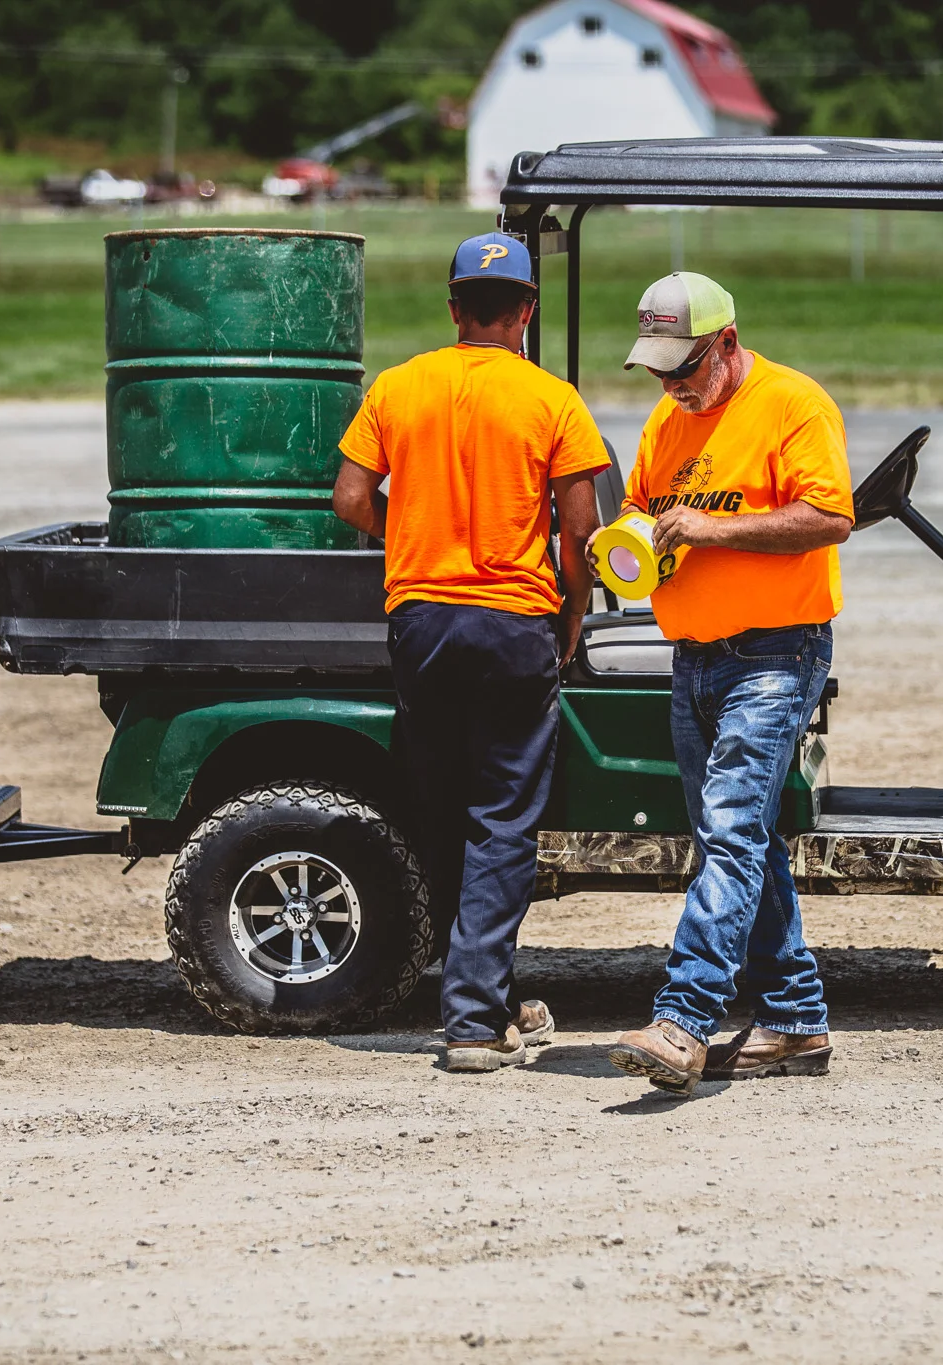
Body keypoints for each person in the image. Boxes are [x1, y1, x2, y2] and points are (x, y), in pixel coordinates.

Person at [332, 232, 609, 1073]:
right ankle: (473, 1025)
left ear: (456, 309)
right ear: (525, 312)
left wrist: (408, 535)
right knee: (503, 819)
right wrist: (574, 605)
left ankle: (491, 989)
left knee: (444, 805)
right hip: (511, 620)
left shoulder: (398, 385)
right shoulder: (551, 399)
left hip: (420, 620)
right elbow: (580, 525)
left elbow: (349, 498)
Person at [595, 272, 854, 1096]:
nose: (671, 387)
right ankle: (795, 1018)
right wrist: (635, 535)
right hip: (696, 658)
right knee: (735, 840)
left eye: (684, 369)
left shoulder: (792, 403)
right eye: (659, 372)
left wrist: (713, 528)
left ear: (728, 345)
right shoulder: (670, 419)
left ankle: (685, 1018)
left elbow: (830, 515)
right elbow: (644, 499)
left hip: (777, 654)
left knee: (733, 832)